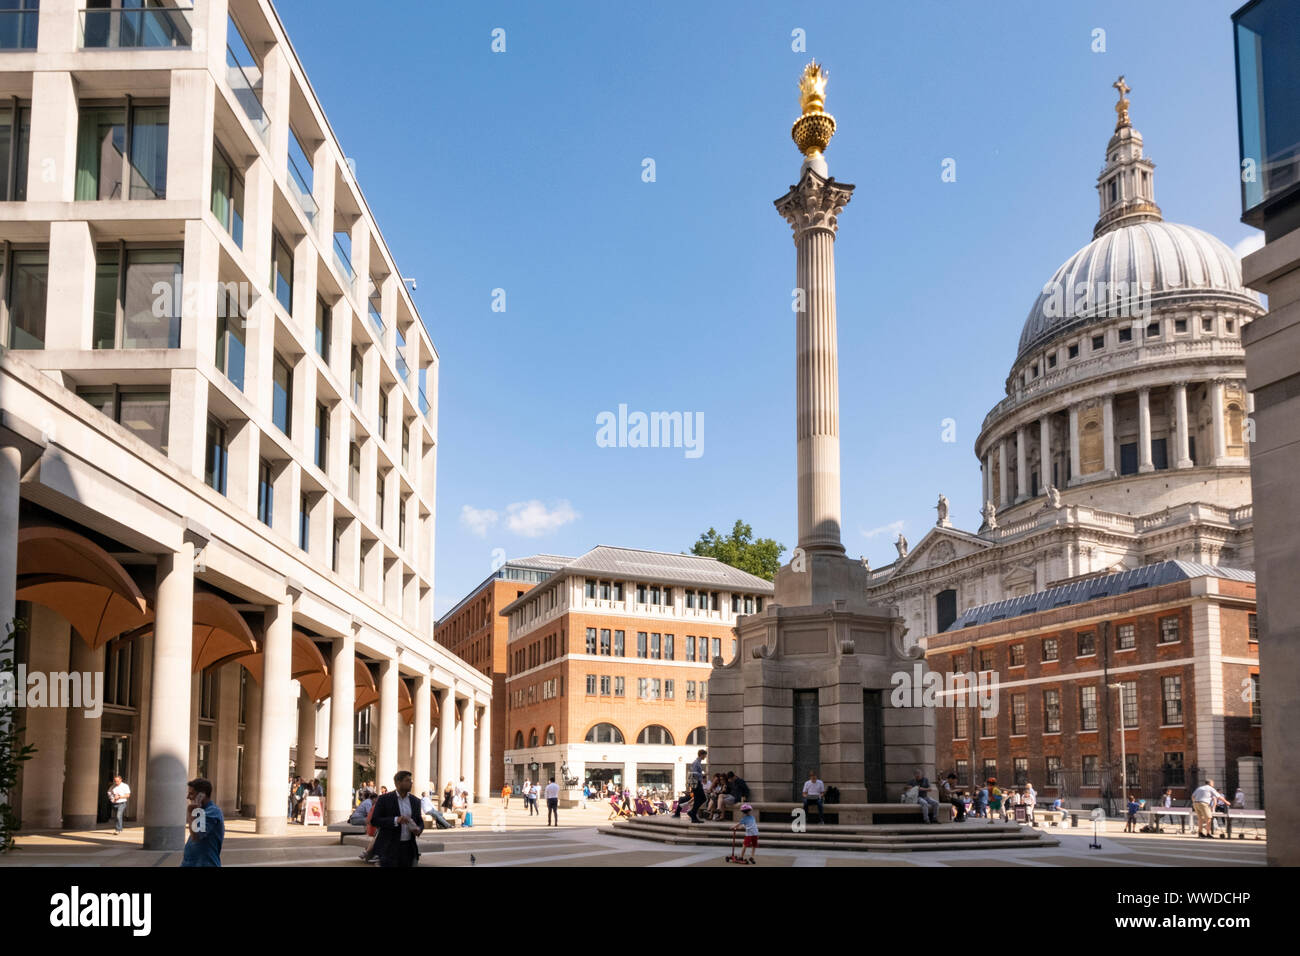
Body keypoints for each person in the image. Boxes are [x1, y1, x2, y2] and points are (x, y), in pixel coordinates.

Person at [371, 770, 424, 867]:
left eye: (411, 781)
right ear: (398, 783)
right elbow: (375, 820)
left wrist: (419, 829)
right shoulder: (384, 799)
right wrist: (395, 820)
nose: (411, 783)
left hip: (408, 848)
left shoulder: (415, 801)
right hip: (389, 848)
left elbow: (419, 820)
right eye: (407, 780)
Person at [181, 777, 224, 867]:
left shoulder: (212, 812)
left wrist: (190, 813)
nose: (188, 797)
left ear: (202, 795)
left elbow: (196, 836)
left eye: (191, 794)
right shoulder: (200, 811)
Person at [686, 749, 707, 823]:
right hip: (696, 784)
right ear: (701, 755)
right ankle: (692, 813)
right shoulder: (696, 763)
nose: (705, 757)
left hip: (698, 783)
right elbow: (694, 773)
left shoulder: (698, 762)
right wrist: (702, 774)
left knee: (700, 799)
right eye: (705, 755)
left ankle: (693, 814)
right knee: (702, 799)